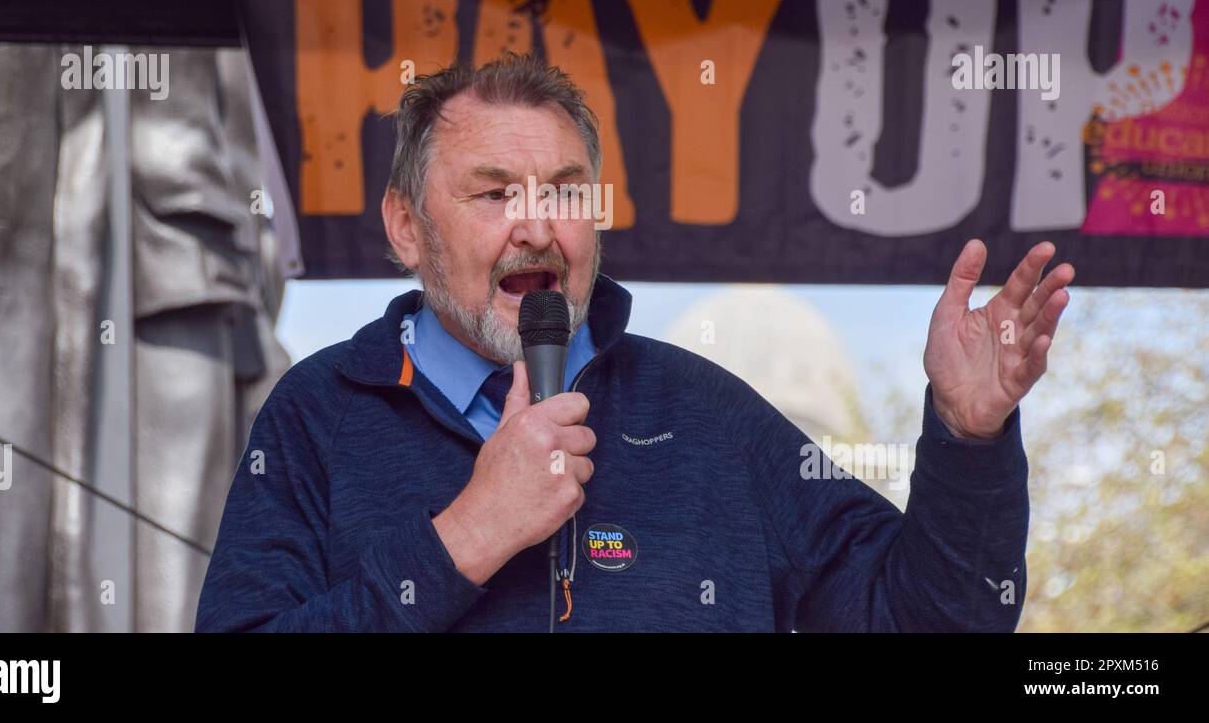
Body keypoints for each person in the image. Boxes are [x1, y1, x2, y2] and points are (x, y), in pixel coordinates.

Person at [195, 51, 1074, 632]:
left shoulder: (704, 415)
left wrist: (968, 440)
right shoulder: (316, 417)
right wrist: (467, 535)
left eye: (567, 191)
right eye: (495, 193)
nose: (538, 227)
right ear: (407, 228)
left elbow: (930, 621)